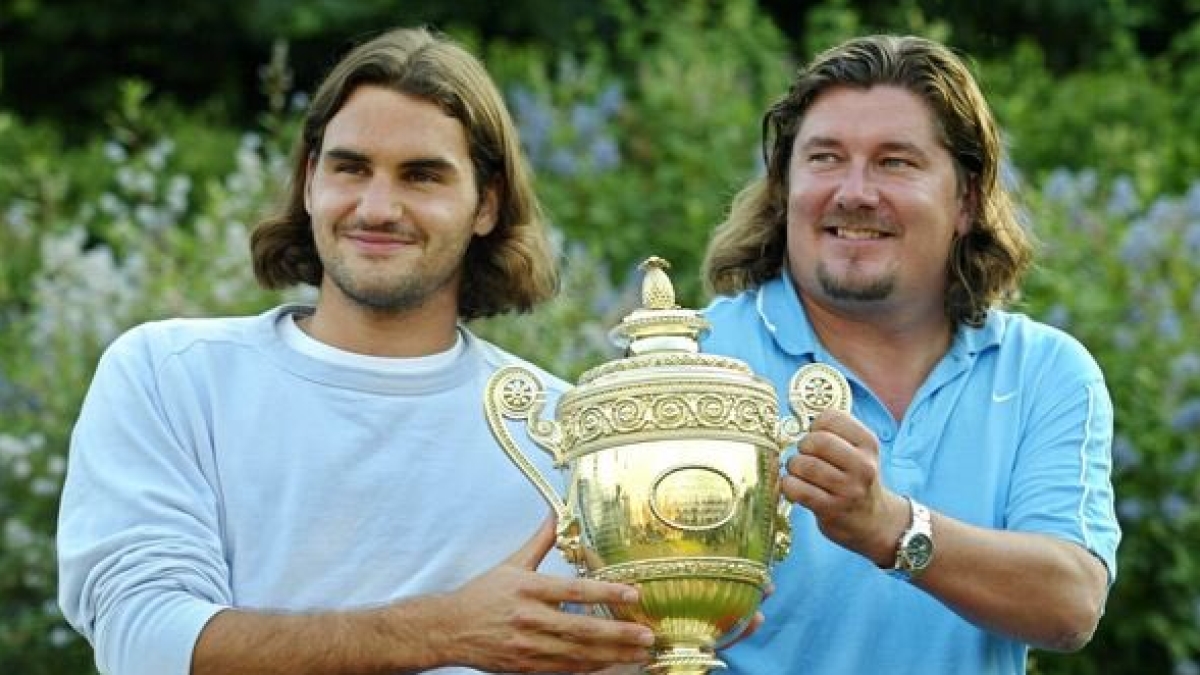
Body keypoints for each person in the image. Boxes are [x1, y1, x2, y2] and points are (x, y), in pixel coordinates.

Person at [56, 27, 656, 675]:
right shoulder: (171, 376)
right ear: (311, 180)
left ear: (486, 203)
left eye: (421, 176)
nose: (377, 207)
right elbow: (145, 643)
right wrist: (445, 629)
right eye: (351, 167)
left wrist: (682, 620)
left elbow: (610, 656)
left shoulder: (575, 432)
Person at [699, 34, 1119, 674]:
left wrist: (891, 527)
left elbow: (1070, 601)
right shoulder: (694, 363)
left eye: (895, 162)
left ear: (967, 200)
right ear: (785, 187)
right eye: (824, 158)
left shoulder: (1045, 373)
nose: (855, 192)